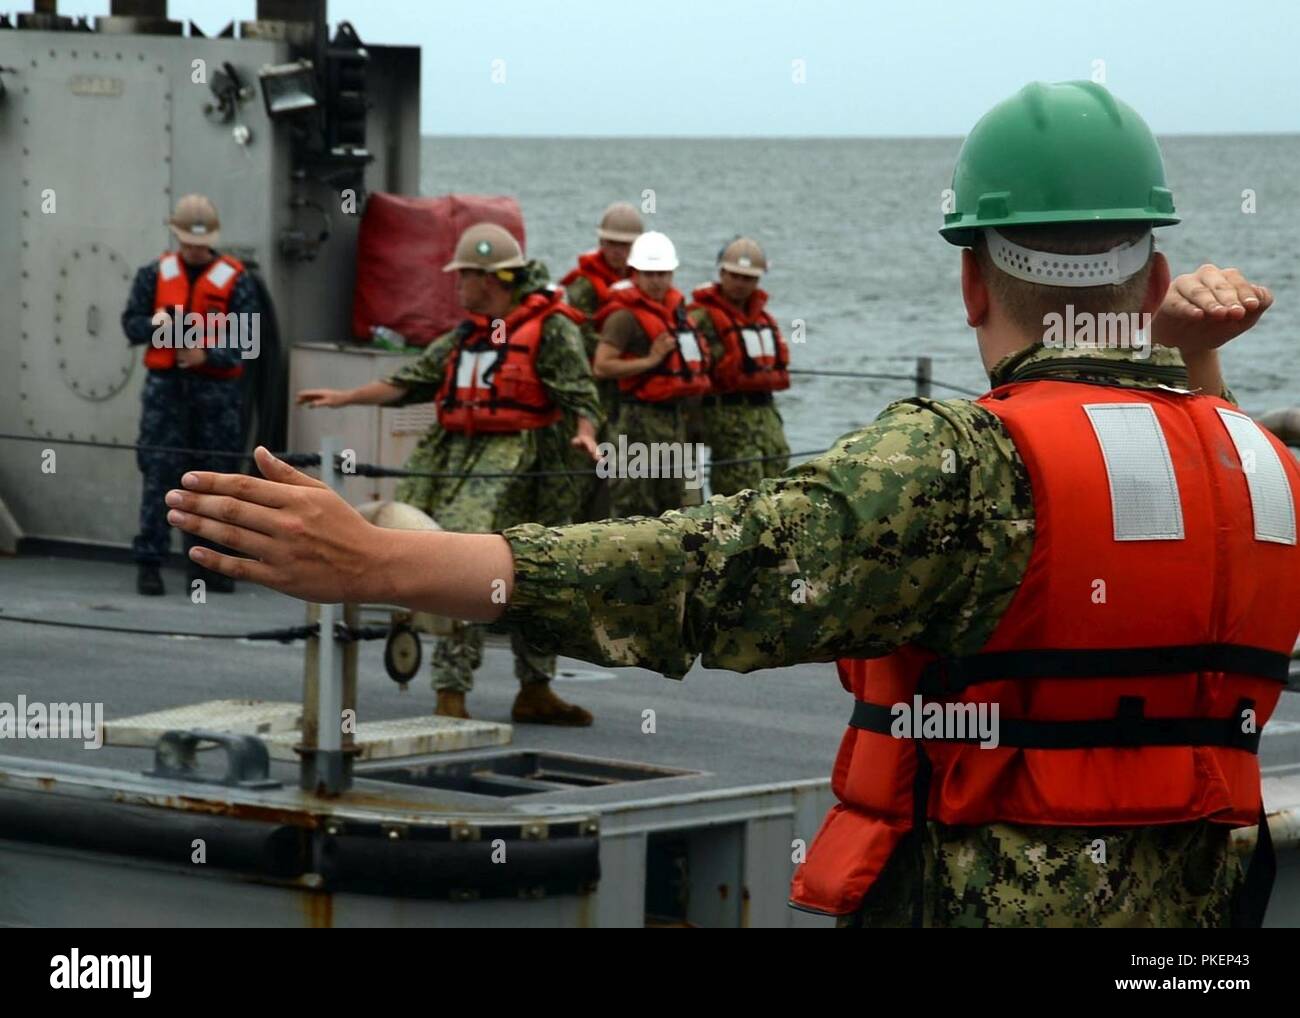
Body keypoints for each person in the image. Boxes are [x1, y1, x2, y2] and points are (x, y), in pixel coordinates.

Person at [167, 82, 1299, 927]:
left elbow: (695, 574)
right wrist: (1193, 368)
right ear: (1152, 283)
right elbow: (1175, 488)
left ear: (968, 278)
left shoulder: (965, 468)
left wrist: (385, 566)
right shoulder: (1265, 473)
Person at [295, 222, 603, 725]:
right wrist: (345, 398)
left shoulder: (552, 329)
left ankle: (535, 687)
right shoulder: (467, 335)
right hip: (462, 460)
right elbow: (410, 380)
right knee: (461, 565)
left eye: (464, 277)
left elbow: (581, 394)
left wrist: (586, 434)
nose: (457, 286)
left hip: (531, 471)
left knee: (544, 571)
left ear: (493, 278)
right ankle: (450, 692)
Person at [122, 193, 258, 596]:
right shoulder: (153, 276)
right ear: (176, 236)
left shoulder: (237, 281)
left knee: (213, 481)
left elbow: (247, 345)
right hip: (165, 396)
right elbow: (130, 325)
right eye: (188, 241)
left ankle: (209, 565)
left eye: (202, 241)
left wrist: (206, 355)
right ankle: (150, 563)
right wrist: (154, 324)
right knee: (158, 477)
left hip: (217, 398)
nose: (195, 249)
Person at [592, 231, 712, 517]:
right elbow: (602, 366)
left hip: (676, 422)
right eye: (649, 274)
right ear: (636, 273)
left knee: (689, 503)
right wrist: (651, 360)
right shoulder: (623, 317)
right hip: (635, 424)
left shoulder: (679, 314)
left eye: (662, 274)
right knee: (635, 508)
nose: (656, 281)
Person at [557, 201, 644, 520]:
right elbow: (577, 336)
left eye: (625, 245)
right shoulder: (581, 286)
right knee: (585, 471)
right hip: (591, 390)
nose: (618, 251)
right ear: (601, 243)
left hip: (628, 396)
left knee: (622, 475)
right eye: (611, 243)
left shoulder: (645, 281)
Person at [689, 237, 791, 496]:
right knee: (739, 486)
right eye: (734, 276)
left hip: (765, 414)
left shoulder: (763, 319)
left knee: (778, 474)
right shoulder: (701, 318)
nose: (740, 284)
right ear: (722, 273)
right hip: (726, 416)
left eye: (748, 279)